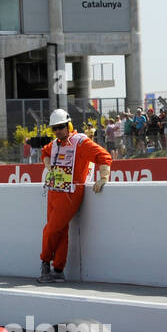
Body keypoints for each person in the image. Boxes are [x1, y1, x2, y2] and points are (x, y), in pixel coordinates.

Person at [38, 108, 112, 284]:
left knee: (51, 229)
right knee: (61, 231)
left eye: (61, 127)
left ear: (69, 125)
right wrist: (48, 164)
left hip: (70, 193)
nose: (57, 131)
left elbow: (104, 156)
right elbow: (45, 152)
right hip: (53, 191)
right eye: (54, 128)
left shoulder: (80, 142)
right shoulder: (55, 144)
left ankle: (45, 264)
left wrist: (103, 177)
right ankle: (58, 270)